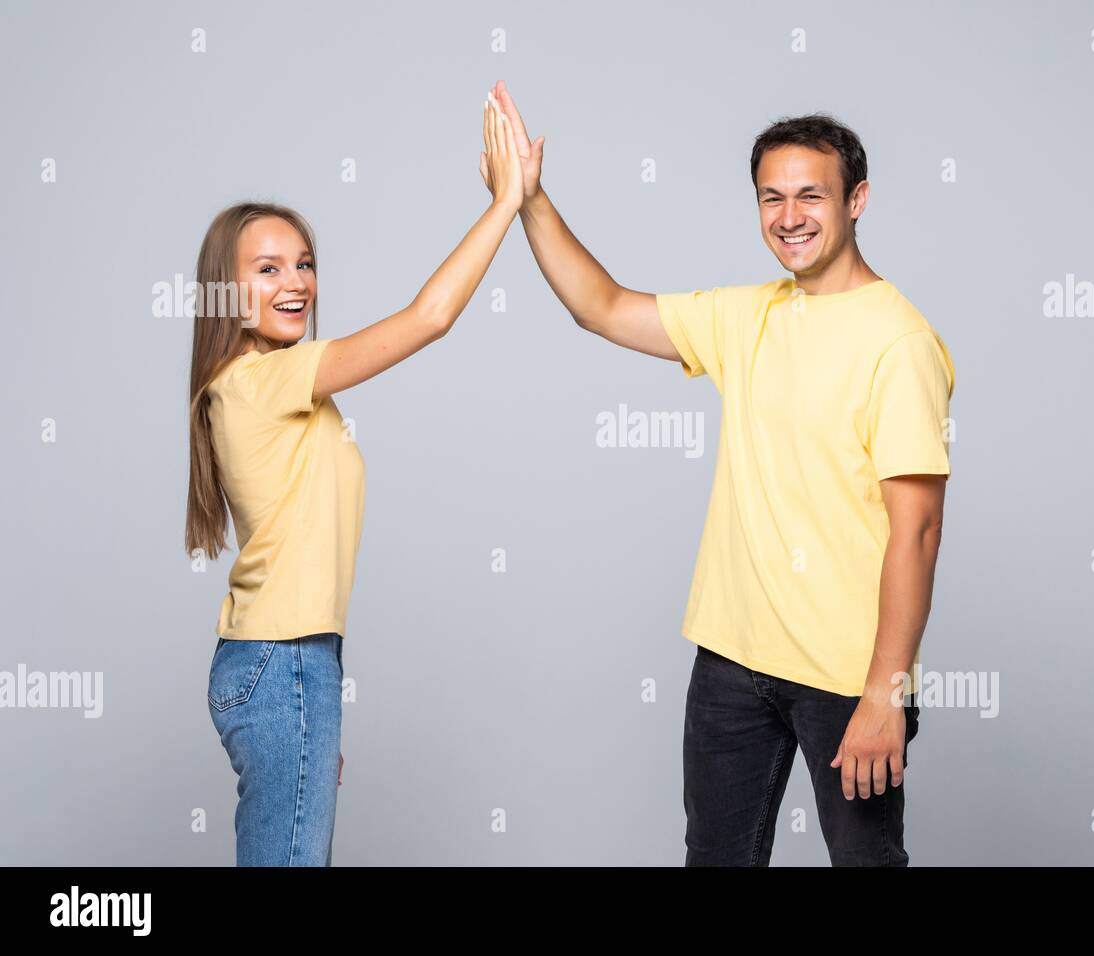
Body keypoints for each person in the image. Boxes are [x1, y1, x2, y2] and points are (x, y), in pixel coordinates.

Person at [492, 80, 954, 866]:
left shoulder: (899, 342)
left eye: (812, 194)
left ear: (858, 199)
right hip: (732, 663)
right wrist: (530, 199)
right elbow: (600, 305)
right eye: (771, 197)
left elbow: (918, 529)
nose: (790, 216)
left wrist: (887, 691)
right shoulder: (749, 315)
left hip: (848, 676)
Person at [185, 93, 523, 866]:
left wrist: (313, 707)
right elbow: (429, 318)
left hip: (287, 665)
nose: (295, 281)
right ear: (224, 290)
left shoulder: (261, 380)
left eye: (303, 263)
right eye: (267, 268)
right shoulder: (263, 380)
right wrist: (506, 203)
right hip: (284, 664)